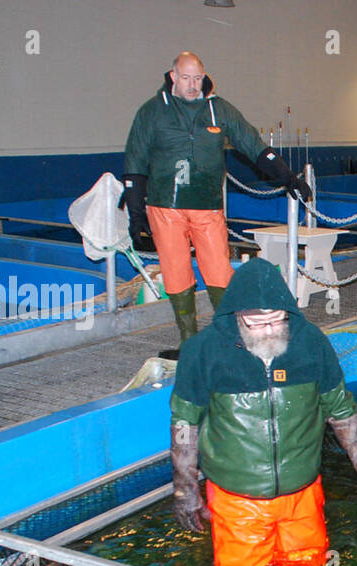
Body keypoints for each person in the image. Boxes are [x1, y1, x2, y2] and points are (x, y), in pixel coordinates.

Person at [169, 258, 357, 566]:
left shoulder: (311, 342)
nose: (269, 330)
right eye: (256, 324)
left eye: (277, 320)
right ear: (235, 315)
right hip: (237, 500)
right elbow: (185, 422)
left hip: (302, 494)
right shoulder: (204, 351)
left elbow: (341, 408)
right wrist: (185, 488)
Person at [123, 52, 313, 359]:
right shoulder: (152, 112)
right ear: (173, 76)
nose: (192, 85)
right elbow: (135, 160)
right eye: (185, 78)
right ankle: (188, 341)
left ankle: (229, 339)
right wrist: (135, 213)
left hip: (207, 207)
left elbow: (253, 145)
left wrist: (288, 177)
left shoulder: (219, 109)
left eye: (197, 78)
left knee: (219, 272)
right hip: (165, 207)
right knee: (176, 272)